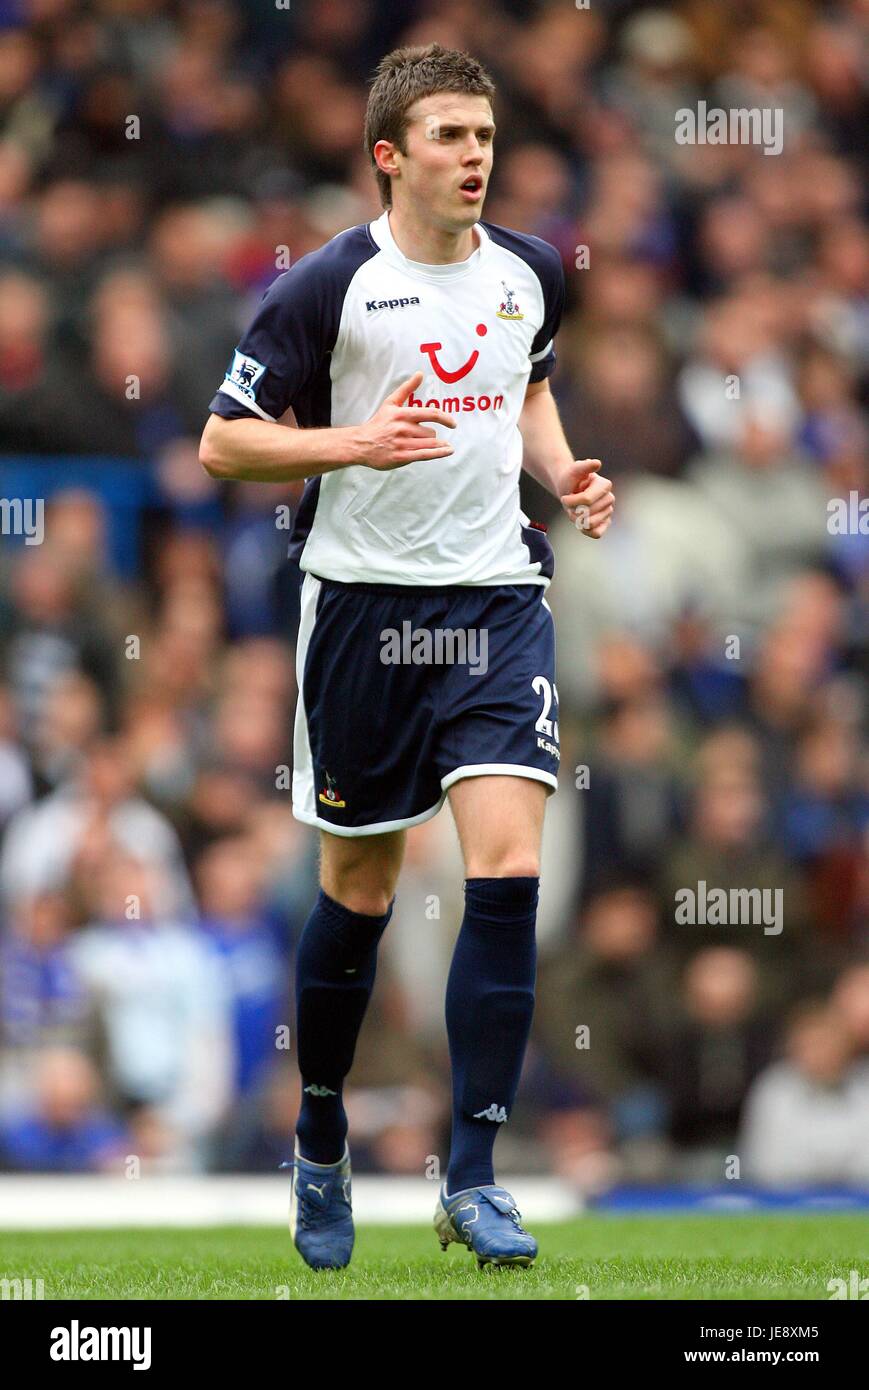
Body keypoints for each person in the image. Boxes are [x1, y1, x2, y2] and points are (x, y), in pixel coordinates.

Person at [199, 43, 614, 1271]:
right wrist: (349, 444)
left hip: (495, 601)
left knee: (505, 869)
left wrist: (561, 470)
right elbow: (224, 446)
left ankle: (473, 1172)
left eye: (482, 135)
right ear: (389, 155)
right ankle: (319, 1132)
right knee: (359, 895)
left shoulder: (531, 272)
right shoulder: (326, 285)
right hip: (364, 618)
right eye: (446, 136)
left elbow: (525, 387)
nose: (472, 155)